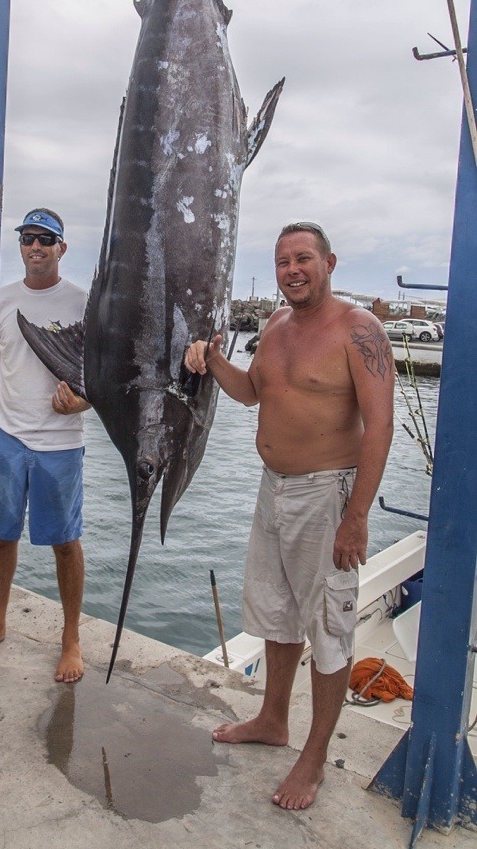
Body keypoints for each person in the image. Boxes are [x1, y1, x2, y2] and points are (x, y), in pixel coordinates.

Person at [185, 222, 394, 810]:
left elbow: (379, 429)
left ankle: (314, 755)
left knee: (328, 626)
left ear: (329, 261)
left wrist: (358, 516)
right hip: (272, 490)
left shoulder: (360, 331)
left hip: (327, 495)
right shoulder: (275, 325)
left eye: (303, 258)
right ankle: (272, 719)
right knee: (276, 615)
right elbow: (253, 392)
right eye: (282, 262)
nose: (292, 270)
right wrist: (214, 363)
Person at [0, 208, 90, 683]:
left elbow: (103, 377)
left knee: (65, 543)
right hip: (5, 439)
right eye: (28, 238)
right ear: (21, 246)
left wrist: (82, 403)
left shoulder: (84, 303)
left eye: (46, 239)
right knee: (1, 535)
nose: (36, 247)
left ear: (62, 248)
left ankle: (71, 638)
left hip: (61, 445)